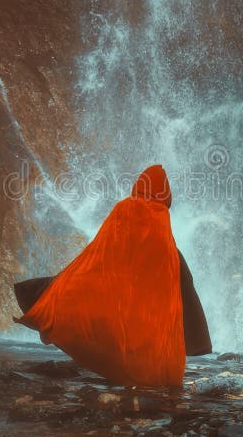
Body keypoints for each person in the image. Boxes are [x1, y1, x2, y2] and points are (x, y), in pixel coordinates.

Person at [13, 164, 211, 387]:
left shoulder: (124, 208)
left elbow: (100, 252)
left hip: (117, 289)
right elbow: (167, 263)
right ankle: (160, 360)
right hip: (146, 307)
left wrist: (55, 286)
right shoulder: (160, 217)